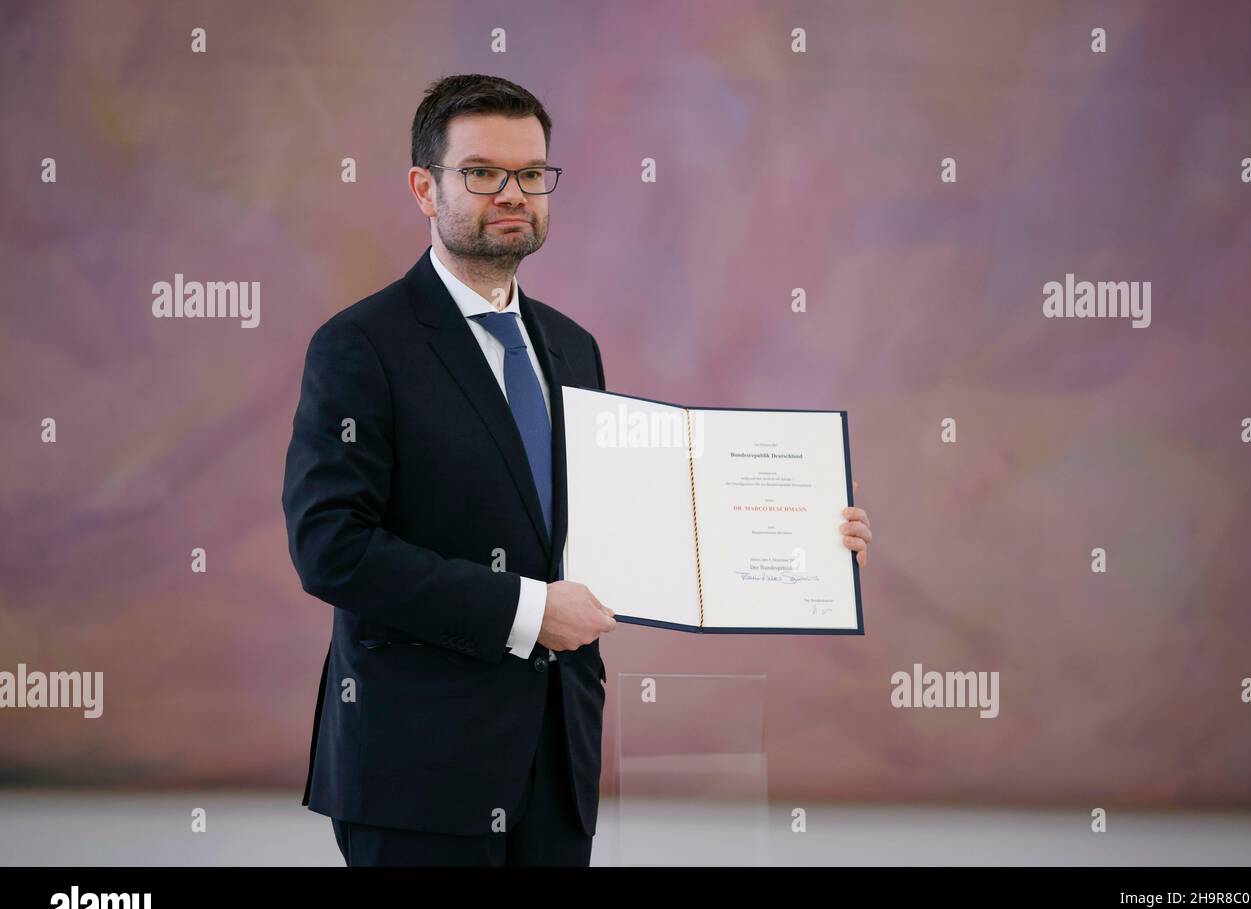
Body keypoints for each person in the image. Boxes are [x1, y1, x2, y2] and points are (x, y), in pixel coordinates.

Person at [281, 74, 873, 866]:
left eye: (531, 173)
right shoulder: (361, 346)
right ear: (424, 188)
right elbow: (332, 548)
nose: (513, 192)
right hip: (415, 771)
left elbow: (626, 523)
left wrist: (806, 535)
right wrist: (527, 613)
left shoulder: (570, 346)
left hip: (557, 765)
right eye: (483, 172)